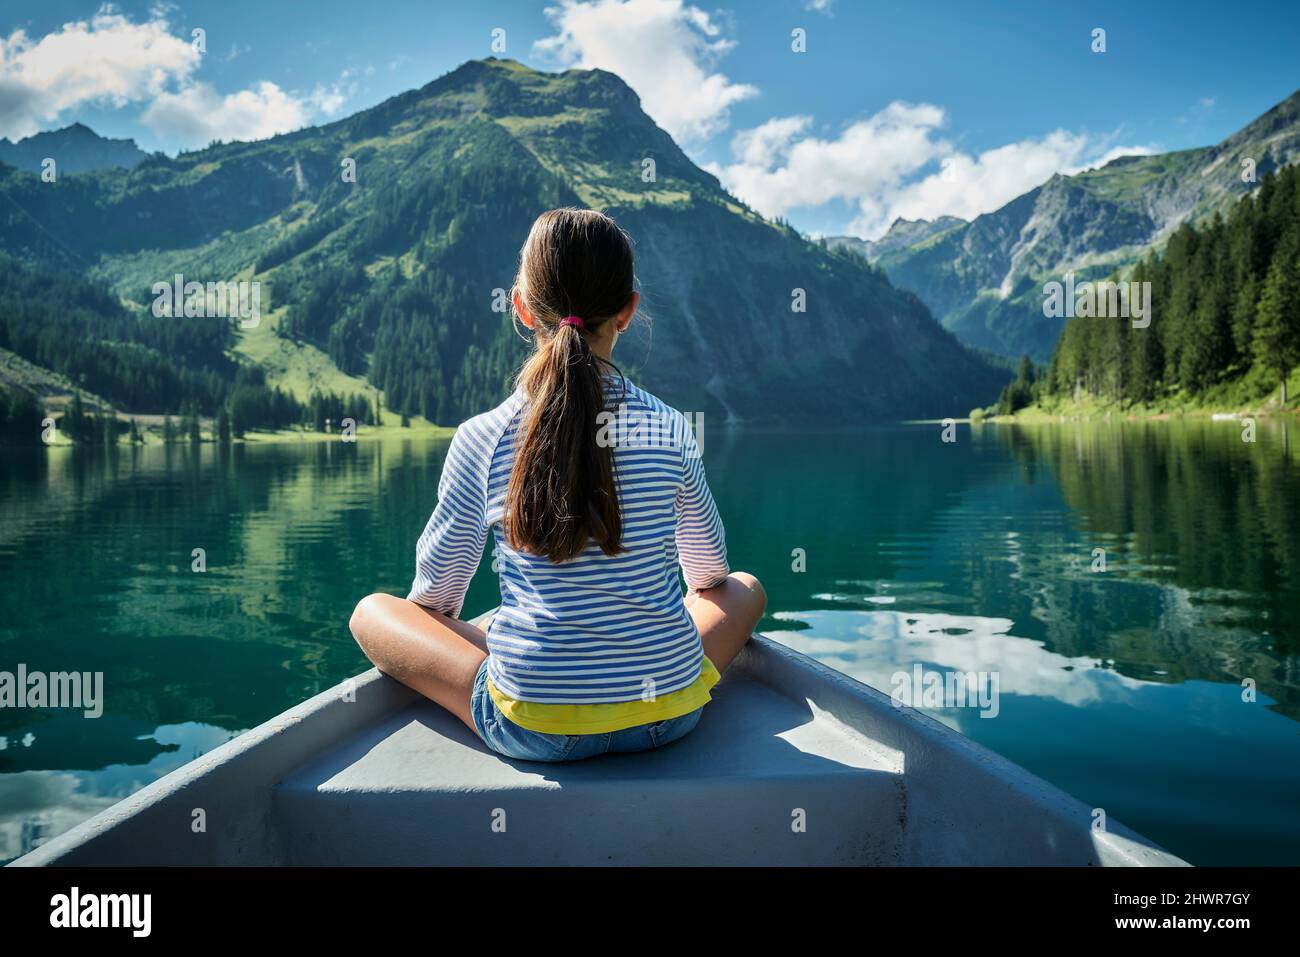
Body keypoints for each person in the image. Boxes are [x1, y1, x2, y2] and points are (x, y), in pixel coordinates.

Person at [349, 207, 765, 762]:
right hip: (671, 717)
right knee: (745, 587)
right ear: (627, 312)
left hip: (537, 731)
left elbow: (437, 601)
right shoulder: (669, 427)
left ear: (521, 308)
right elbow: (710, 574)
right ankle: (655, 672)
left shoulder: (483, 437)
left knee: (372, 612)